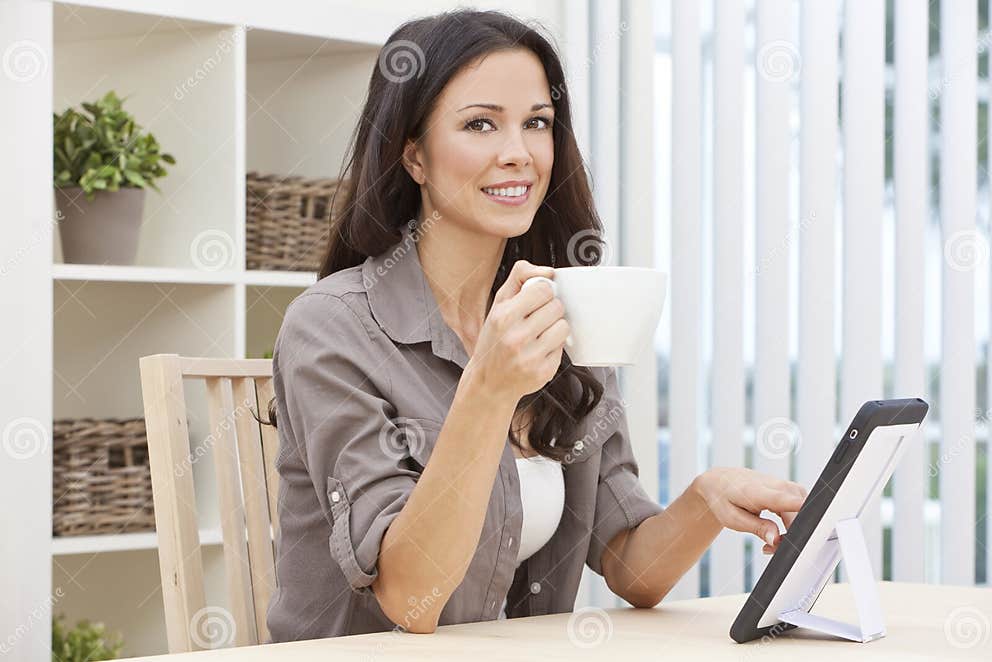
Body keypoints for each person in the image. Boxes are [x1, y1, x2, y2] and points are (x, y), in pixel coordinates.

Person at [264, 8, 807, 641]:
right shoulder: (333, 327)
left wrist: (708, 498)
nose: (518, 153)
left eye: (537, 124)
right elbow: (410, 600)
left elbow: (631, 566)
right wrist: (490, 390)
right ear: (413, 154)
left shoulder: (555, 312)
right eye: (479, 125)